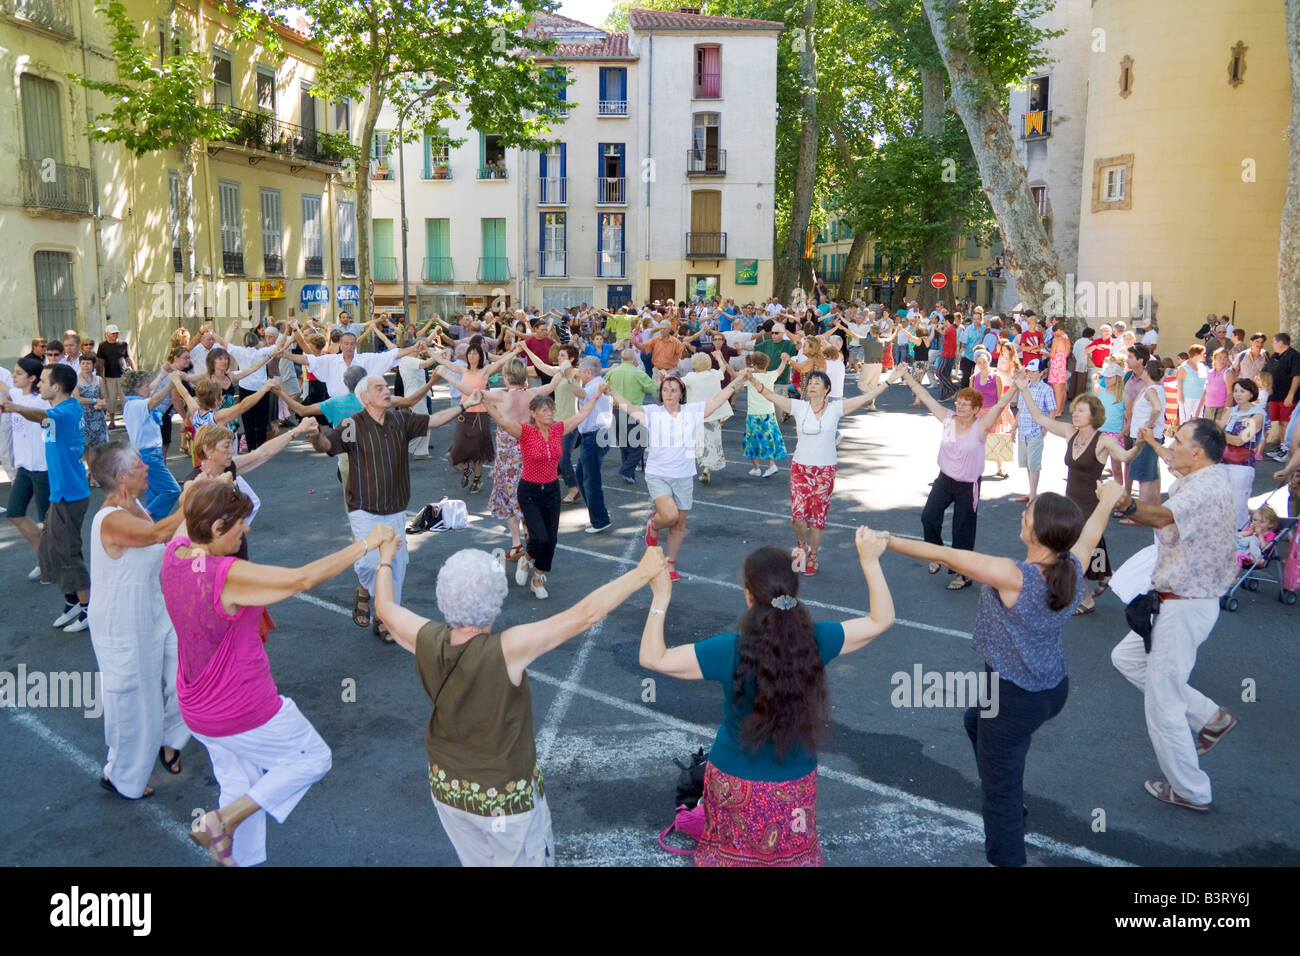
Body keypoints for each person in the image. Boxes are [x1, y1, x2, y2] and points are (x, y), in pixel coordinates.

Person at [372, 543, 668, 866]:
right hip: (505, 800)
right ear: (496, 601)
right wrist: (642, 573)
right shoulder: (506, 649)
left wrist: (386, 559)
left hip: (447, 789)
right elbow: (584, 615)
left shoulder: (425, 638)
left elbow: (385, 608)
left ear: (444, 597)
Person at [882, 485, 1124, 865]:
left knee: (1000, 797)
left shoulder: (1016, 577)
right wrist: (1108, 498)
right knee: (975, 722)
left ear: (1041, 533)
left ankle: (1007, 844)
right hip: (1049, 689)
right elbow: (1091, 532)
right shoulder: (1072, 565)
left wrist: (889, 541)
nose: (1022, 516)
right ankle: (1007, 779)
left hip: (1014, 699)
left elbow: (947, 554)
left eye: (1028, 514)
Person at [164, 480, 391, 866]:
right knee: (313, 758)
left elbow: (189, 507)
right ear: (216, 528)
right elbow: (301, 579)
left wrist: (208, 486)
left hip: (197, 711)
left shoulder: (176, 554)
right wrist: (370, 543)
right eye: (239, 523)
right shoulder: (225, 574)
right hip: (241, 709)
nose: (246, 529)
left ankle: (238, 855)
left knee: (241, 783)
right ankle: (223, 821)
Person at [637, 530, 896, 866]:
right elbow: (881, 620)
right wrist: (870, 560)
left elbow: (653, 658)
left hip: (734, 783)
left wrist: (660, 596)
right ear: (793, 592)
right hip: (794, 785)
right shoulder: (817, 640)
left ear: (748, 595)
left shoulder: (729, 649)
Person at [1110, 419, 1239, 812]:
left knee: (1163, 702)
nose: (1172, 447)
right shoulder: (1203, 472)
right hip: (1178, 599)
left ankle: (1190, 789)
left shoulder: (1202, 488)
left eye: (1178, 441)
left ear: (1197, 452)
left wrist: (1124, 502)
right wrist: (1152, 441)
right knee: (1127, 658)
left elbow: (1163, 517)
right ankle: (1208, 716)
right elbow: (1172, 457)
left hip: (1184, 604)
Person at [85, 442, 193, 799]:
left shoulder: (135, 505)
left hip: (154, 608)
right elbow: (157, 535)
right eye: (138, 464)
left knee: (188, 671)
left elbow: (166, 538)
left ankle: (170, 739)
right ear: (121, 478)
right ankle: (121, 775)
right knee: (133, 701)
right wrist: (191, 499)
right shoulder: (111, 519)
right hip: (122, 621)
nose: (147, 466)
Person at [308, 374, 447, 641]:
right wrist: (317, 435)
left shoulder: (400, 419)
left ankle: (385, 618)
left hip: (395, 507)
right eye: (380, 388)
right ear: (365, 397)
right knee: (371, 563)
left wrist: (466, 405)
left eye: (387, 386)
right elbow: (327, 445)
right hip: (364, 507)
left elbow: (435, 421)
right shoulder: (352, 425)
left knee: (397, 566)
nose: (387, 390)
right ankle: (364, 589)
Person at [747, 367, 895, 574]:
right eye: (811, 383)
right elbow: (770, 395)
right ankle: (801, 544)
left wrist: (890, 380)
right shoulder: (798, 407)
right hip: (801, 468)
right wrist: (752, 379)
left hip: (824, 470)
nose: (812, 386)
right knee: (798, 517)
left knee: (817, 518)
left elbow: (867, 396)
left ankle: (813, 555)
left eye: (818, 383)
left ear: (827, 389)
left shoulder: (836, 409)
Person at [608, 371, 749, 581]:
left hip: (683, 475)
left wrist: (738, 381)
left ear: (681, 393)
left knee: (679, 524)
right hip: (658, 474)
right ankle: (653, 524)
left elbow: (717, 401)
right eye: (665, 390)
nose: (669, 394)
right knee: (670, 515)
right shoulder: (653, 412)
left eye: (673, 390)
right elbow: (631, 408)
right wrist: (611, 392)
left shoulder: (691, 411)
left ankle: (670, 563)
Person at [1013, 384, 1141, 613]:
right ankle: (1104, 574)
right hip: (1070, 504)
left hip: (1091, 506)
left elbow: (1125, 455)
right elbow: (1039, 417)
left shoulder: (1103, 440)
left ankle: (1087, 599)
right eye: (1075, 410)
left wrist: (1142, 442)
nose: (1075, 414)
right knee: (1085, 547)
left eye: (1081, 410)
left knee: (1071, 552)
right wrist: (1023, 389)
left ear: (1093, 415)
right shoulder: (1070, 432)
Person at [897, 365, 1017, 590]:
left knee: (962, 530)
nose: (959, 406)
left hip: (967, 485)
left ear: (976, 409)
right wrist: (905, 375)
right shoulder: (948, 418)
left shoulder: (981, 426)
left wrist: (1017, 386)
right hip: (944, 480)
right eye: (958, 402)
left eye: (965, 404)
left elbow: (1000, 404)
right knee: (929, 517)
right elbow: (924, 395)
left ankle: (963, 574)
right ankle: (938, 554)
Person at [482, 382, 607, 598]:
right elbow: (501, 419)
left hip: (551, 491)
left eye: (551, 409)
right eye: (544, 410)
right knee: (540, 537)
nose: (550, 413)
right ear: (533, 413)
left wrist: (596, 395)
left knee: (552, 539)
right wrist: (482, 401)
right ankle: (528, 557)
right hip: (529, 491)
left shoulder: (558, 429)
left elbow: (582, 415)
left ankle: (537, 578)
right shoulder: (525, 432)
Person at [0, 364, 93, 631]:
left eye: (42, 381)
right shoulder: (69, 408)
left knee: (69, 553)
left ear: (56, 387)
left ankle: (88, 610)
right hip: (61, 492)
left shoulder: (62, 412)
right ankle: (72, 601)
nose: (38, 385)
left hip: (71, 496)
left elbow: (42, 416)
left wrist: (16, 408)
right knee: (52, 549)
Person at [183, 419, 320, 560]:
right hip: (214, 557)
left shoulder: (229, 467)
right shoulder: (194, 481)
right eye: (226, 446)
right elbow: (186, 504)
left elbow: (263, 453)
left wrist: (297, 430)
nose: (231, 450)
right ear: (208, 450)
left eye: (231, 445)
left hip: (237, 549)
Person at [428, 338, 520, 493]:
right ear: (466, 356)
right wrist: (428, 349)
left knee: (479, 451)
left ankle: (477, 479)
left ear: (480, 356)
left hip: (480, 415)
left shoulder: (485, 371)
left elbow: (501, 362)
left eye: (475, 354)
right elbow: (442, 362)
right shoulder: (462, 369)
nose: (472, 356)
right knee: (457, 448)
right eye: (470, 353)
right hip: (464, 414)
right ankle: (466, 470)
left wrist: (516, 351)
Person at [5, 356, 50, 580]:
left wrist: (17, 408)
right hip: (24, 466)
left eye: (19, 373)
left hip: (42, 467)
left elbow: (45, 420)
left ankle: (54, 562)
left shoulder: (42, 400)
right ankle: (46, 556)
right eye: (14, 372)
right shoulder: (13, 394)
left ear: (33, 378)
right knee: (14, 512)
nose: (14, 376)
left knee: (47, 520)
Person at [121, 369, 182, 521]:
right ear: (136, 389)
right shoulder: (137, 404)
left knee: (154, 494)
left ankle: (150, 528)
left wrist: (162, 375)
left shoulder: (133, 402)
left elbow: (151, 392)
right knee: (171, 490)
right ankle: (143, 517)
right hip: (148, 455)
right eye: (145, 386)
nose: (149, 388)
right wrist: (170, 384)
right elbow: (154, 400)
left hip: (149, 453)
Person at [573, 356, 615, 533]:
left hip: (594, 437)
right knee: (583, 476)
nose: (579, 372)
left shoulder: (592, 387)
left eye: (581, 370)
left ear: (588, 372)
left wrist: (567, 377)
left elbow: (580, 394)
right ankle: (596, 516)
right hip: (597, 436)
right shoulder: (598, 384)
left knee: (591, 481)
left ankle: (600, 520)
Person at [603, 347, 657, 486]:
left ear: (621, 359)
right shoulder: (638, 373)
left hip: (616, 410)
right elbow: (652, 388)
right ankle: (626, 470)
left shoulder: (613, 372)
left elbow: (603, 386)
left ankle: (629, 474)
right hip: (633, 411)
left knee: (624, 443)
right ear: (634, 360)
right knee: (640, 444)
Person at [1123, 360, 1168, 522]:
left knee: (1144, 477)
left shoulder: (1151, 390)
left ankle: (1139, 517)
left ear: (1147, 372)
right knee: (1150, 475)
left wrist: (1147, 425)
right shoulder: (1154, 389)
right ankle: (1154, 511)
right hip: (1148, 436)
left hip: (1146, 437)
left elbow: (1157, 408)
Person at [1220, 378, 1267, 528]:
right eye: (1235, 391)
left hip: (1243, 463)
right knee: (1220, 500)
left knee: (1239, 503)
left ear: (1251, 393)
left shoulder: (1258, 414)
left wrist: (1220, 435)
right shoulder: (1229, 411)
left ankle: (1240, 534)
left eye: (1242, 391)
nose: (1237, 394)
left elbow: (1241, 440)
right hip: (1222, 460)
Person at [1011, 359, 1058, 504]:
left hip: (1035, 431)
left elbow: (1052, 410)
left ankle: (1032, 495)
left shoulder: (1046, 389)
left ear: (1041, 372)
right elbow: (1020, 409)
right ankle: (1032, 491)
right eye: (1029, 371)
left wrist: (1045, 429)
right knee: (1026, 463)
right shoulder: (1026, 387)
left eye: (1033, 371)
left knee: (1034, 464)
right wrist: (1014, 428)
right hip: (1023, 431)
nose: (1030, 374)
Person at [682, 350, 732, 484]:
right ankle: (707, 468)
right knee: (713, 441)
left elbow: (678, 383)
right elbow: (723, 368)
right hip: (714, 414)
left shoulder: (691, 377)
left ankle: (703, 466)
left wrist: (664, 375)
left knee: (700, 443)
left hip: (697, 415)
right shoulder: (714, 374)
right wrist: (718, 357)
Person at [742, 351, 789, 476]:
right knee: (769, 438)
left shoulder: (750, 378)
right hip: (769, 412)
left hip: (753, 413)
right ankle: (771, 464)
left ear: (755, 365)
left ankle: (756, 468)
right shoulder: (771, 375)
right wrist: (784, 360)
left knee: (752, 441)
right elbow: (780, 369)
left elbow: (734, 375)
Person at [970, 348, 1011, 479]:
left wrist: (999, 416)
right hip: (978, 414)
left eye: (984, 361)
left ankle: (1000, 468)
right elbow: (971, 398)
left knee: (996, 440)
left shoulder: (996, 377)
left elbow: (1001, 398)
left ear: (989, 361)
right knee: (977, 441)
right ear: (976, 363)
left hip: (992, 412)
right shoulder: (973, 378)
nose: (982, 364)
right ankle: (975, 467)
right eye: (979, 362)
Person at [96, 324, 135, 429]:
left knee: (125, 400)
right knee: (111, 400)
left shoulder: (123, 344)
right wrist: (100, 376)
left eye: (116, 333)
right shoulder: (102, 346)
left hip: (123, 376)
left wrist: (135, 372)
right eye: (113, 333)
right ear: (107, 334)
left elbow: (129, 358)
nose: (115, 335)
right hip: (109, 377)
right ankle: (112, 421)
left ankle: (128, 421)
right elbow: (100, 362)